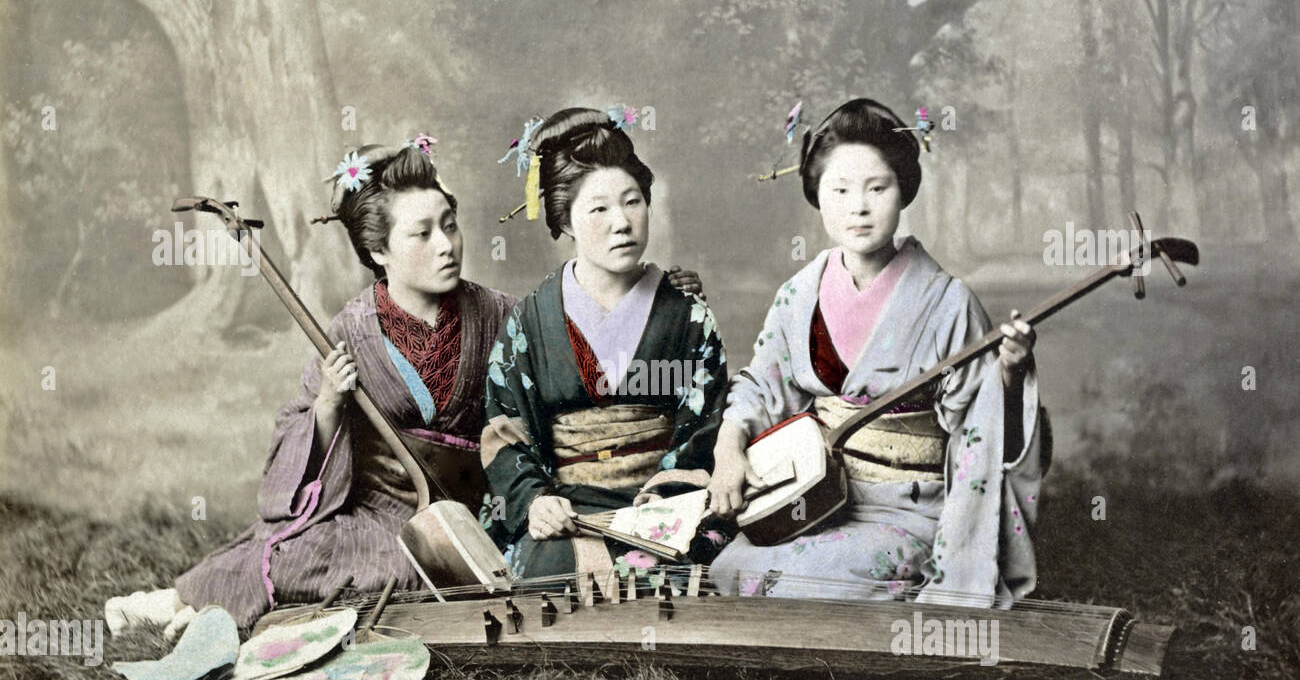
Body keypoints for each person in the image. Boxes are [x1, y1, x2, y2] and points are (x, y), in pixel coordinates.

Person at [110, 139, 516, 634]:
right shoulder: (350, 331)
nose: (446, 245)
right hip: (382, 513)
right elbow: (295, 430)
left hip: (477, 507)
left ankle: (199, 607)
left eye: (449, 225)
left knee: (492, 564)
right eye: (423, 233)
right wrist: (328, 401)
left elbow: (527, 415)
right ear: (377, 249)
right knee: (308, 553)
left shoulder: (496, 313)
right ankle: (177, 605)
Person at [706, 98, 1047, 606]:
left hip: (910, 509)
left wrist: (1009, 372)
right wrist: (728, 445)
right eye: (838, 190)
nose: (858, 207)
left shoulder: (945, 301)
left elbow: (979, 422)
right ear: (817, 195)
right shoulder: (799, 295)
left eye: (877, 188)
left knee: (811, 582)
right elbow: (763, 385)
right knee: (730, 568)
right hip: (819, 498)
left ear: (903, 190)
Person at [481, 107, 727, 582]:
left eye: (632, 202)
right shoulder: (531, 320)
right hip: (565, 509)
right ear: (566, 221)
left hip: (662, 503)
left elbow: (704, 425)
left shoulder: (687, 315)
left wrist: (666, 495)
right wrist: (534, 500)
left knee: (677, 581)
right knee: (546, 579)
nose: (622, 221)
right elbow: (504, 429)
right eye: (599, 208)